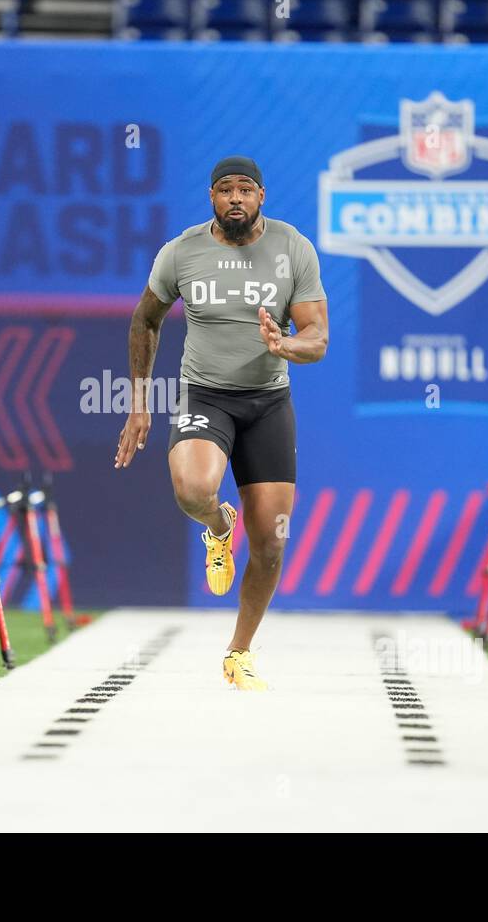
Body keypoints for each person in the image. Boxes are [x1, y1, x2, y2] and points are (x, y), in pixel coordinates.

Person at [114, 155, 329, 691]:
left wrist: (286, 344)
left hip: (268, 404)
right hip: (204, 396)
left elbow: (318, 338)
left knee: (273, 541)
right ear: (212, 197)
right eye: (225, 190)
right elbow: (145, 318)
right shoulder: (182, 252)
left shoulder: (292, 247)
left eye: (246, 190)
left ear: (262, 196)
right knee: (193, 489)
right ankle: (217, 526)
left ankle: (239, 652)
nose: (236, 198)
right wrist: (138, 402)